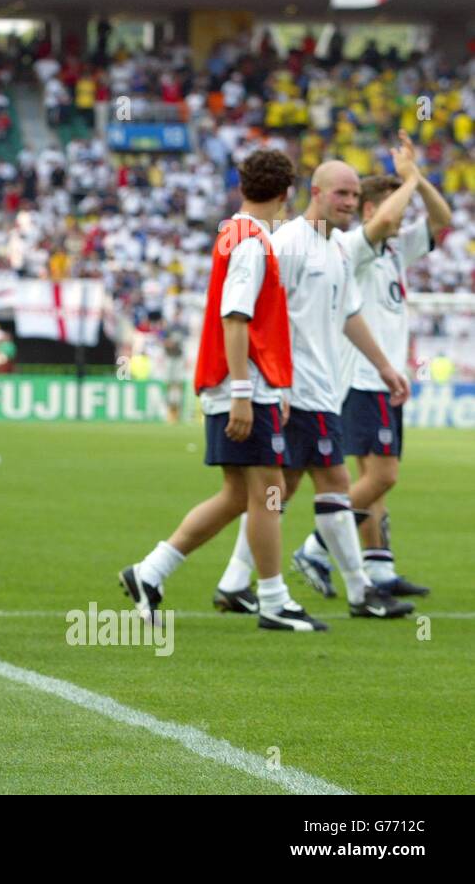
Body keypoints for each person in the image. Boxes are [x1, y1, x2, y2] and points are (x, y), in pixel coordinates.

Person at [118, 150, 323, 631]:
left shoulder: (235, 233)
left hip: (242, 381)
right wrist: (242, 391)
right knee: (269, 491)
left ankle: (150, 572)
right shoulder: (251, 241)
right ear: (285, 193)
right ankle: (273, 601)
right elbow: (236, 319)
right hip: (241, 383)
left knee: (239, 493)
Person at [214, 156, 414, 621]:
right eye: (341, 193)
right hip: (296, 388)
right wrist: (272, 384)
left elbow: (348, 314)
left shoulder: (340, 248)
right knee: (335, 482)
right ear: (316, 193)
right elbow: (260, 318)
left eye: (353, 195)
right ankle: (361, 590)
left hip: (324, 386)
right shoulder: (286, 244)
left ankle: (232, 581)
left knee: (280, 491)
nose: (349, 202)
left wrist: (385, 367)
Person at [289, 132, 447, 599]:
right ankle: (315, 547)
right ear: (369, 211)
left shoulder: (396, 250)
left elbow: (443, 219)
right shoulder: (357, 246)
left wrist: (416, 180)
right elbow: (390, 217)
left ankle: (378, 570)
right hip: (361, 378)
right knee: (383, 475)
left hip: (385, 378)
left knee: (374, 482)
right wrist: (407, 183)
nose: (399, 215)